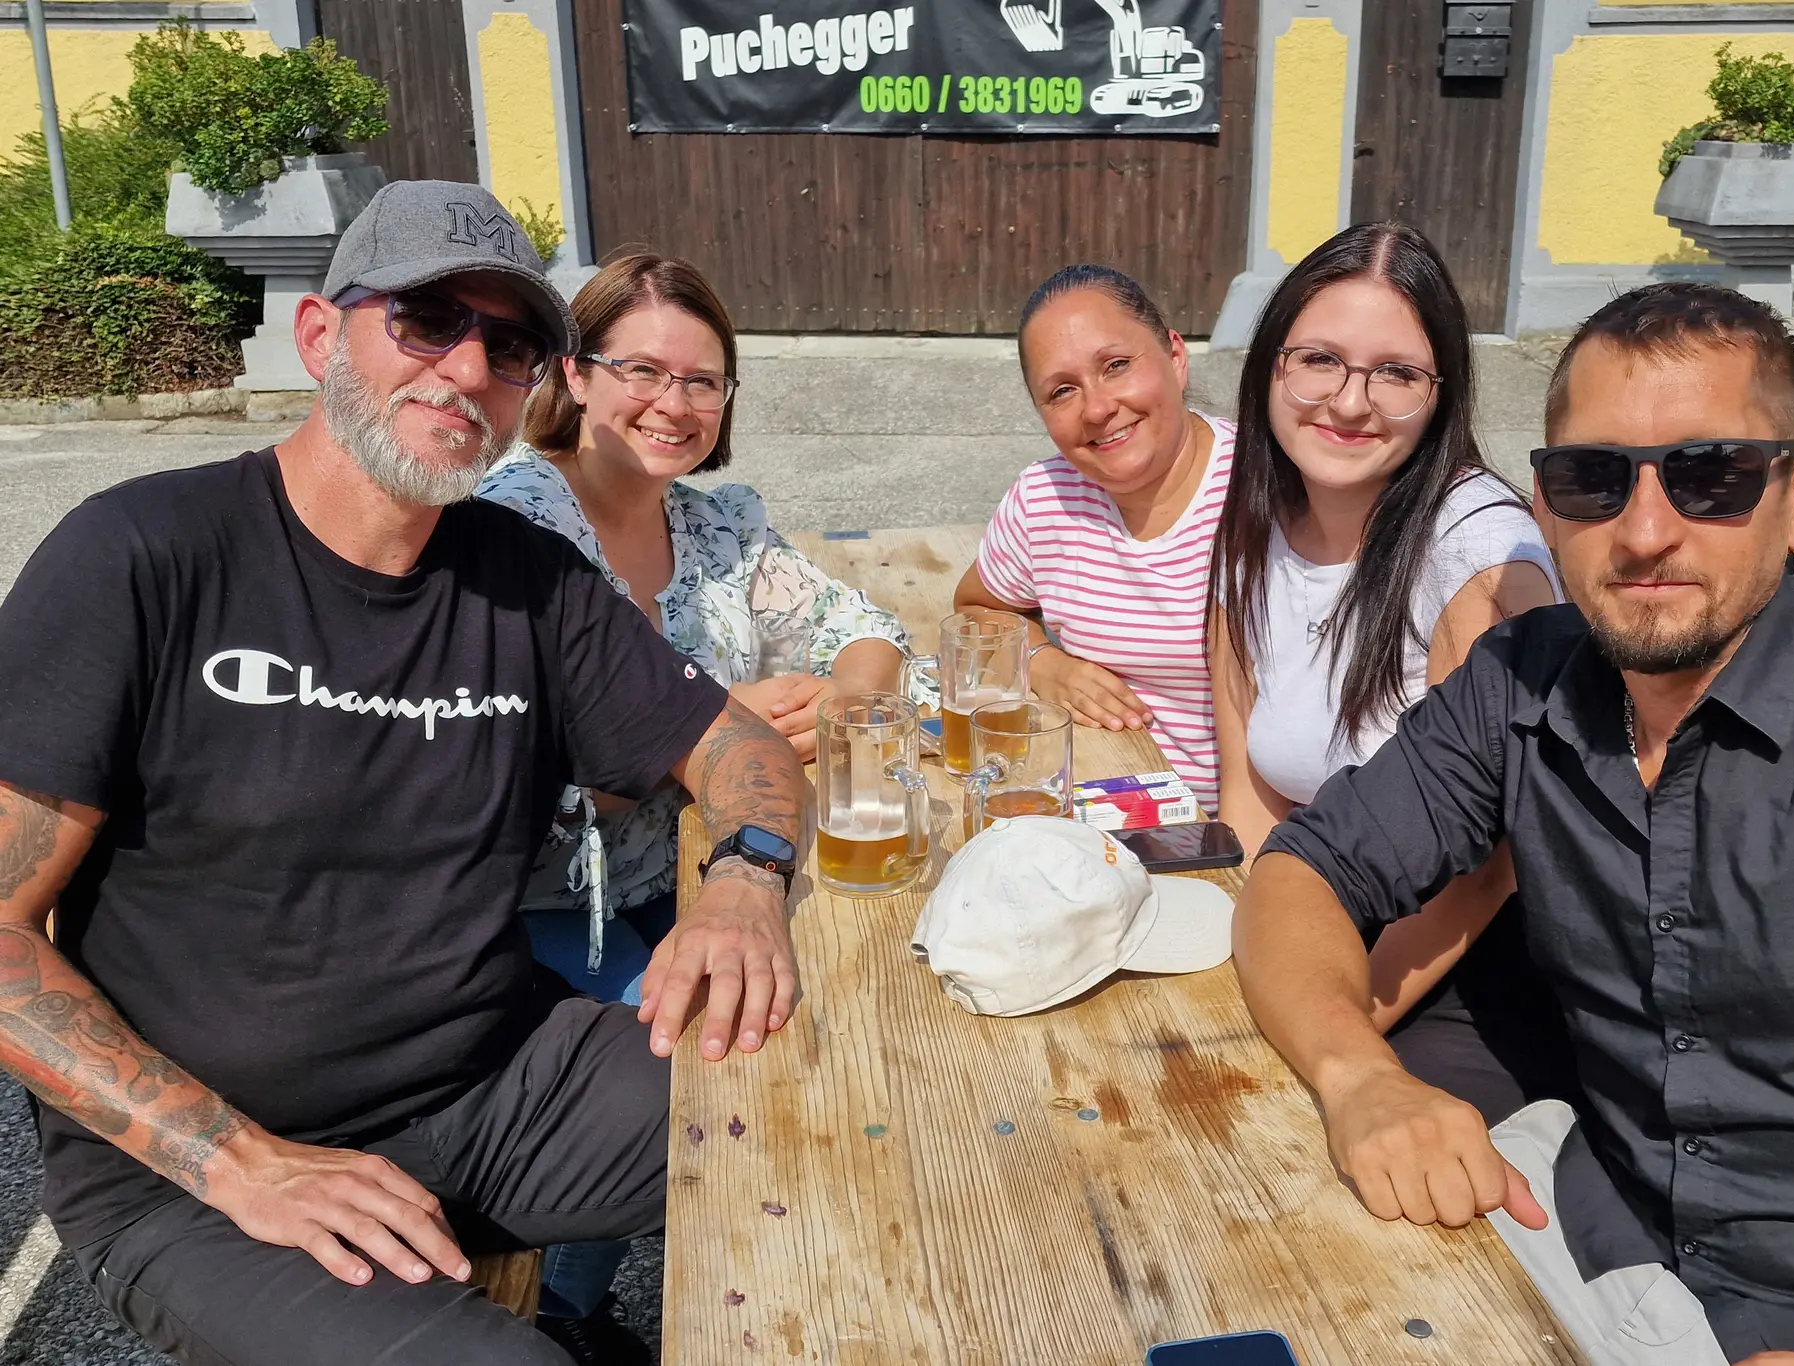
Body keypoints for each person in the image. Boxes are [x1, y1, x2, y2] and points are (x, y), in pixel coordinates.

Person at [0, 182, 807, 1366]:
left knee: (853, 1109)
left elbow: (736, 743)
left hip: (500, 1090)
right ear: (321, 335)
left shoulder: (525, 577)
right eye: (427, 320)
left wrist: (744, 879)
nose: (468, 367)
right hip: (207, 1181)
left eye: (511, 342)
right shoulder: (143, 553)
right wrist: (237, 1160)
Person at [1234, 281, 1794, 1366]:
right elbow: (1305, 873)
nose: (1645, 530)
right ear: (1544, 500)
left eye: (1711, 476)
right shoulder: (1524, 682)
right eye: (1592, 479)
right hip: (1602, 1247)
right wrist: (1358, 1077)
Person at [474, 254, 912, 1348]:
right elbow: (492, 783)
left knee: (865, 1001)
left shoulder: (714, 527)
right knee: (732, 1061)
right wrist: (711, 733)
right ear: (572, 375)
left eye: (704, 381)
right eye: (641, 370)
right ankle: (572, 1308)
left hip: (677, 877)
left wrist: (834, 703)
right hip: (525, 909)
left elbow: (870, 634)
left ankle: (585, 1295)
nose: (674, 403)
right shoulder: (510, 531)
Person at [1210, 222, 1573, 1109]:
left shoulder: (1482, 559)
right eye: (1320, 359)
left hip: (1467, 971)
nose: (1349, 401)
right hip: (1315, 930)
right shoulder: (1253, 520)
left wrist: (1335, 1022)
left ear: (1440, 394)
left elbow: (1491, 867)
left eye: (1397, 374)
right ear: (1271, 368)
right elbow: (1248, 793)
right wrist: (1271, 948)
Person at [953, 264, 1236, 811]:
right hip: (1104, 802)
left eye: (1117, 366)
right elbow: (976, 608)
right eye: (1062, 391)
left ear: (1176, 357)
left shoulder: (1268, 490)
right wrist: (1044, 663)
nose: (1098, 408)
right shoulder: (1045, 497)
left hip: (1251, 830)